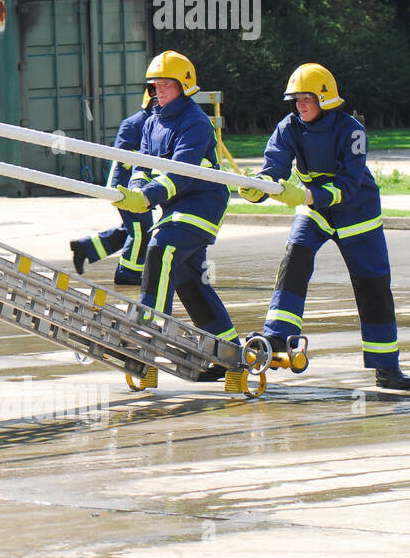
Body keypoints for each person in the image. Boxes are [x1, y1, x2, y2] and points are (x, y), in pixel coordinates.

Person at [238, 64, 409, 389]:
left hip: (357, 214)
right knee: (294, 261)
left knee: (373, 288)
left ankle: (387, 369)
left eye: (307, 98)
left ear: (326, 100)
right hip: (315, 210)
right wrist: (259, 187)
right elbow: (274, 165)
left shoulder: (352, 131)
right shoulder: (288, 127)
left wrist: (304, 194)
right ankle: (276, 337)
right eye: (296, 99)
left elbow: (348, 186)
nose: (301, 105)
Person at [113, 51, 239, 379]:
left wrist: (147, 196)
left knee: (161, 247)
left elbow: (180, 173)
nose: (160, 90)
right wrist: (134, 190)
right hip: (175, 207)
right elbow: (142, 163)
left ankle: (149, 336)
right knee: (189, 280)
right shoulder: (153, 120)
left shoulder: (195, 122)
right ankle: (229, 353)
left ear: (184, 86)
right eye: (156, 84)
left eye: (167, 84)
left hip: (202, 205)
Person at [70, 94, 157, 284]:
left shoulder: (161, 124)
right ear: (148, 102)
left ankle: (86, 247)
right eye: (155, 101)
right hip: (124, 188)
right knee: (141, 229)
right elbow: (122, 156)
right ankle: (128, 273)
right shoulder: (132, 123)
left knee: (131, 229)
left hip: (141, 188)